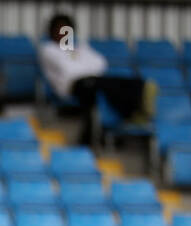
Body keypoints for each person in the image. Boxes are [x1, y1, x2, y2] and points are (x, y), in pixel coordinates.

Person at [37, 12, 156, 145]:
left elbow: (100, 63)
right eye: (59, 30)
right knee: (95, 87)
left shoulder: (80, 46)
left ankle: (132, 110)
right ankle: (125, 116)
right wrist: (83, 64)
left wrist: (80, 65)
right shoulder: (48, 49)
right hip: (70, 87)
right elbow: (67, 69)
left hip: (91, 81)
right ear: (52, 32)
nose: (63, 33)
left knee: (127, 83)